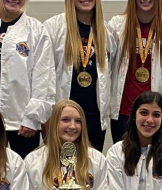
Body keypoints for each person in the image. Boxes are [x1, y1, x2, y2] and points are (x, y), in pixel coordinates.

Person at [0, 0, 55, 159]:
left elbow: (44, 77)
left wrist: (32, 118)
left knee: (24, 175)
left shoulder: (36, 30)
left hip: (22, 122)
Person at [44, 0, 115, 151]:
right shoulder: (53, 27)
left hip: (94, 118)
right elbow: (44, 76)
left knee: (90, 170)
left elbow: (113, 74)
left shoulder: (106, 30)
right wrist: (46, 118)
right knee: (59, 170)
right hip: (62, 117)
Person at [108, 0, 162, 143]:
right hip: (124, 112)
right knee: (124, 162)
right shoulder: (117, 25)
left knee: (156, 163)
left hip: (157, 114)